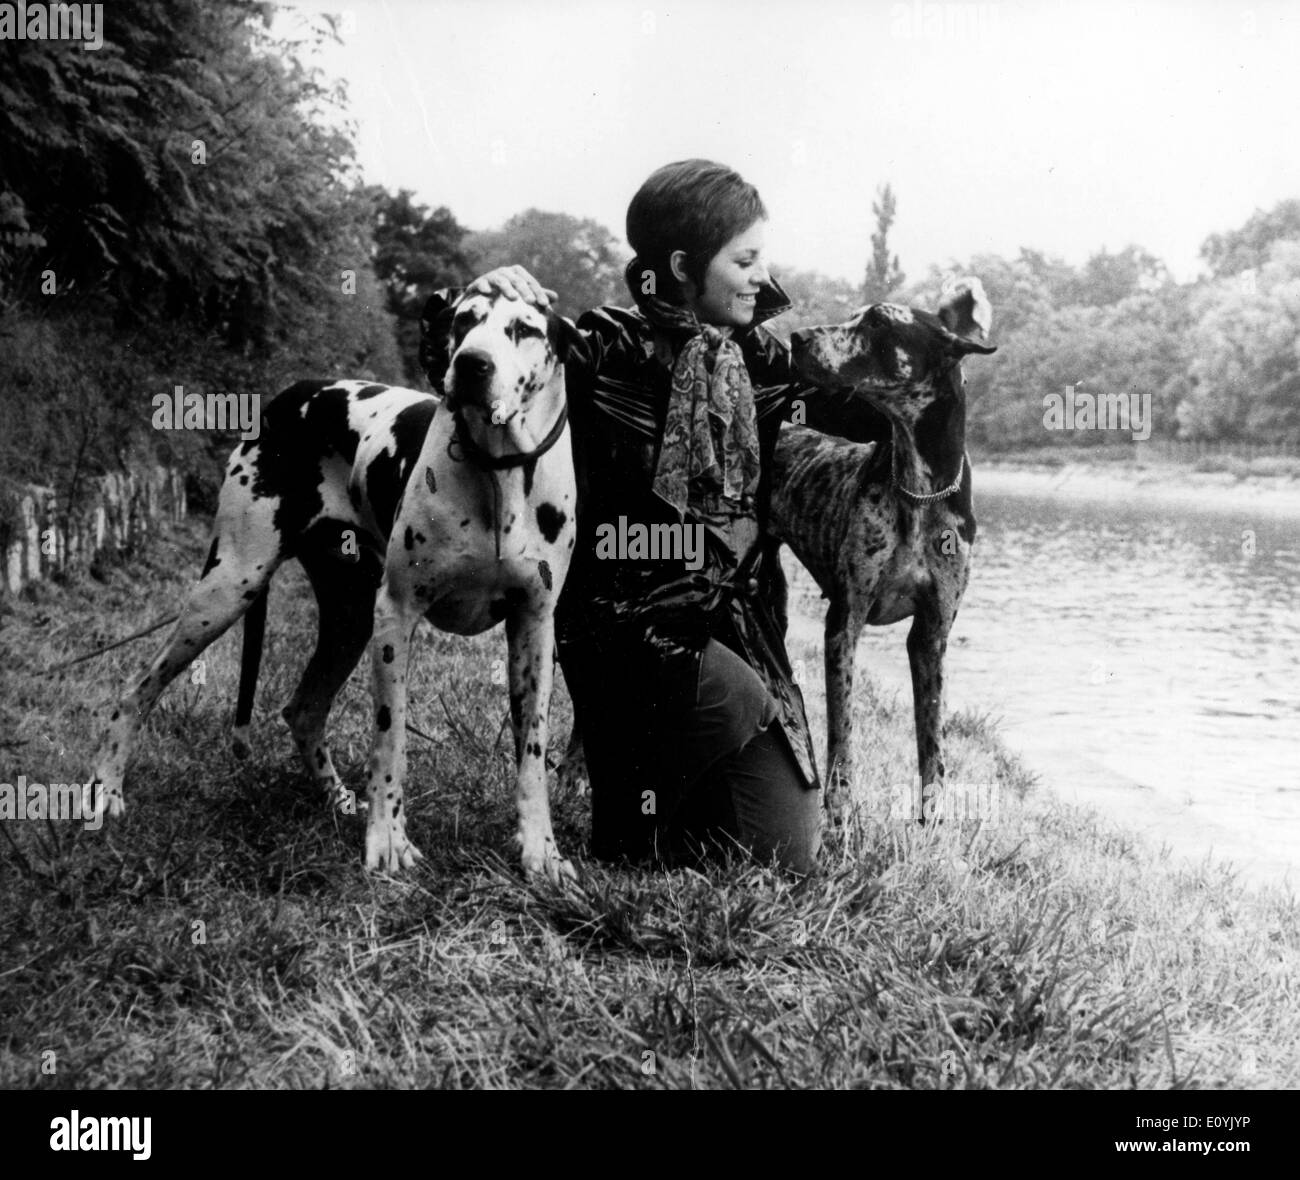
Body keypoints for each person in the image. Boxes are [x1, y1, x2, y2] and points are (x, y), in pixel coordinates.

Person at [431, 159, 887, 874]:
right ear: (681, 265)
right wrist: (486, 302)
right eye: (744, 260)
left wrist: (923, 354)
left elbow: (882, 420)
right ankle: (629, 791)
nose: (762, 279)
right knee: (689, 767)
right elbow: (470, 375)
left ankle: (654, 796)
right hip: (622, 625)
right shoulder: (595, 349)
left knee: (783, 855)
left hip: (736, 625)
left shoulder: (768, 363)